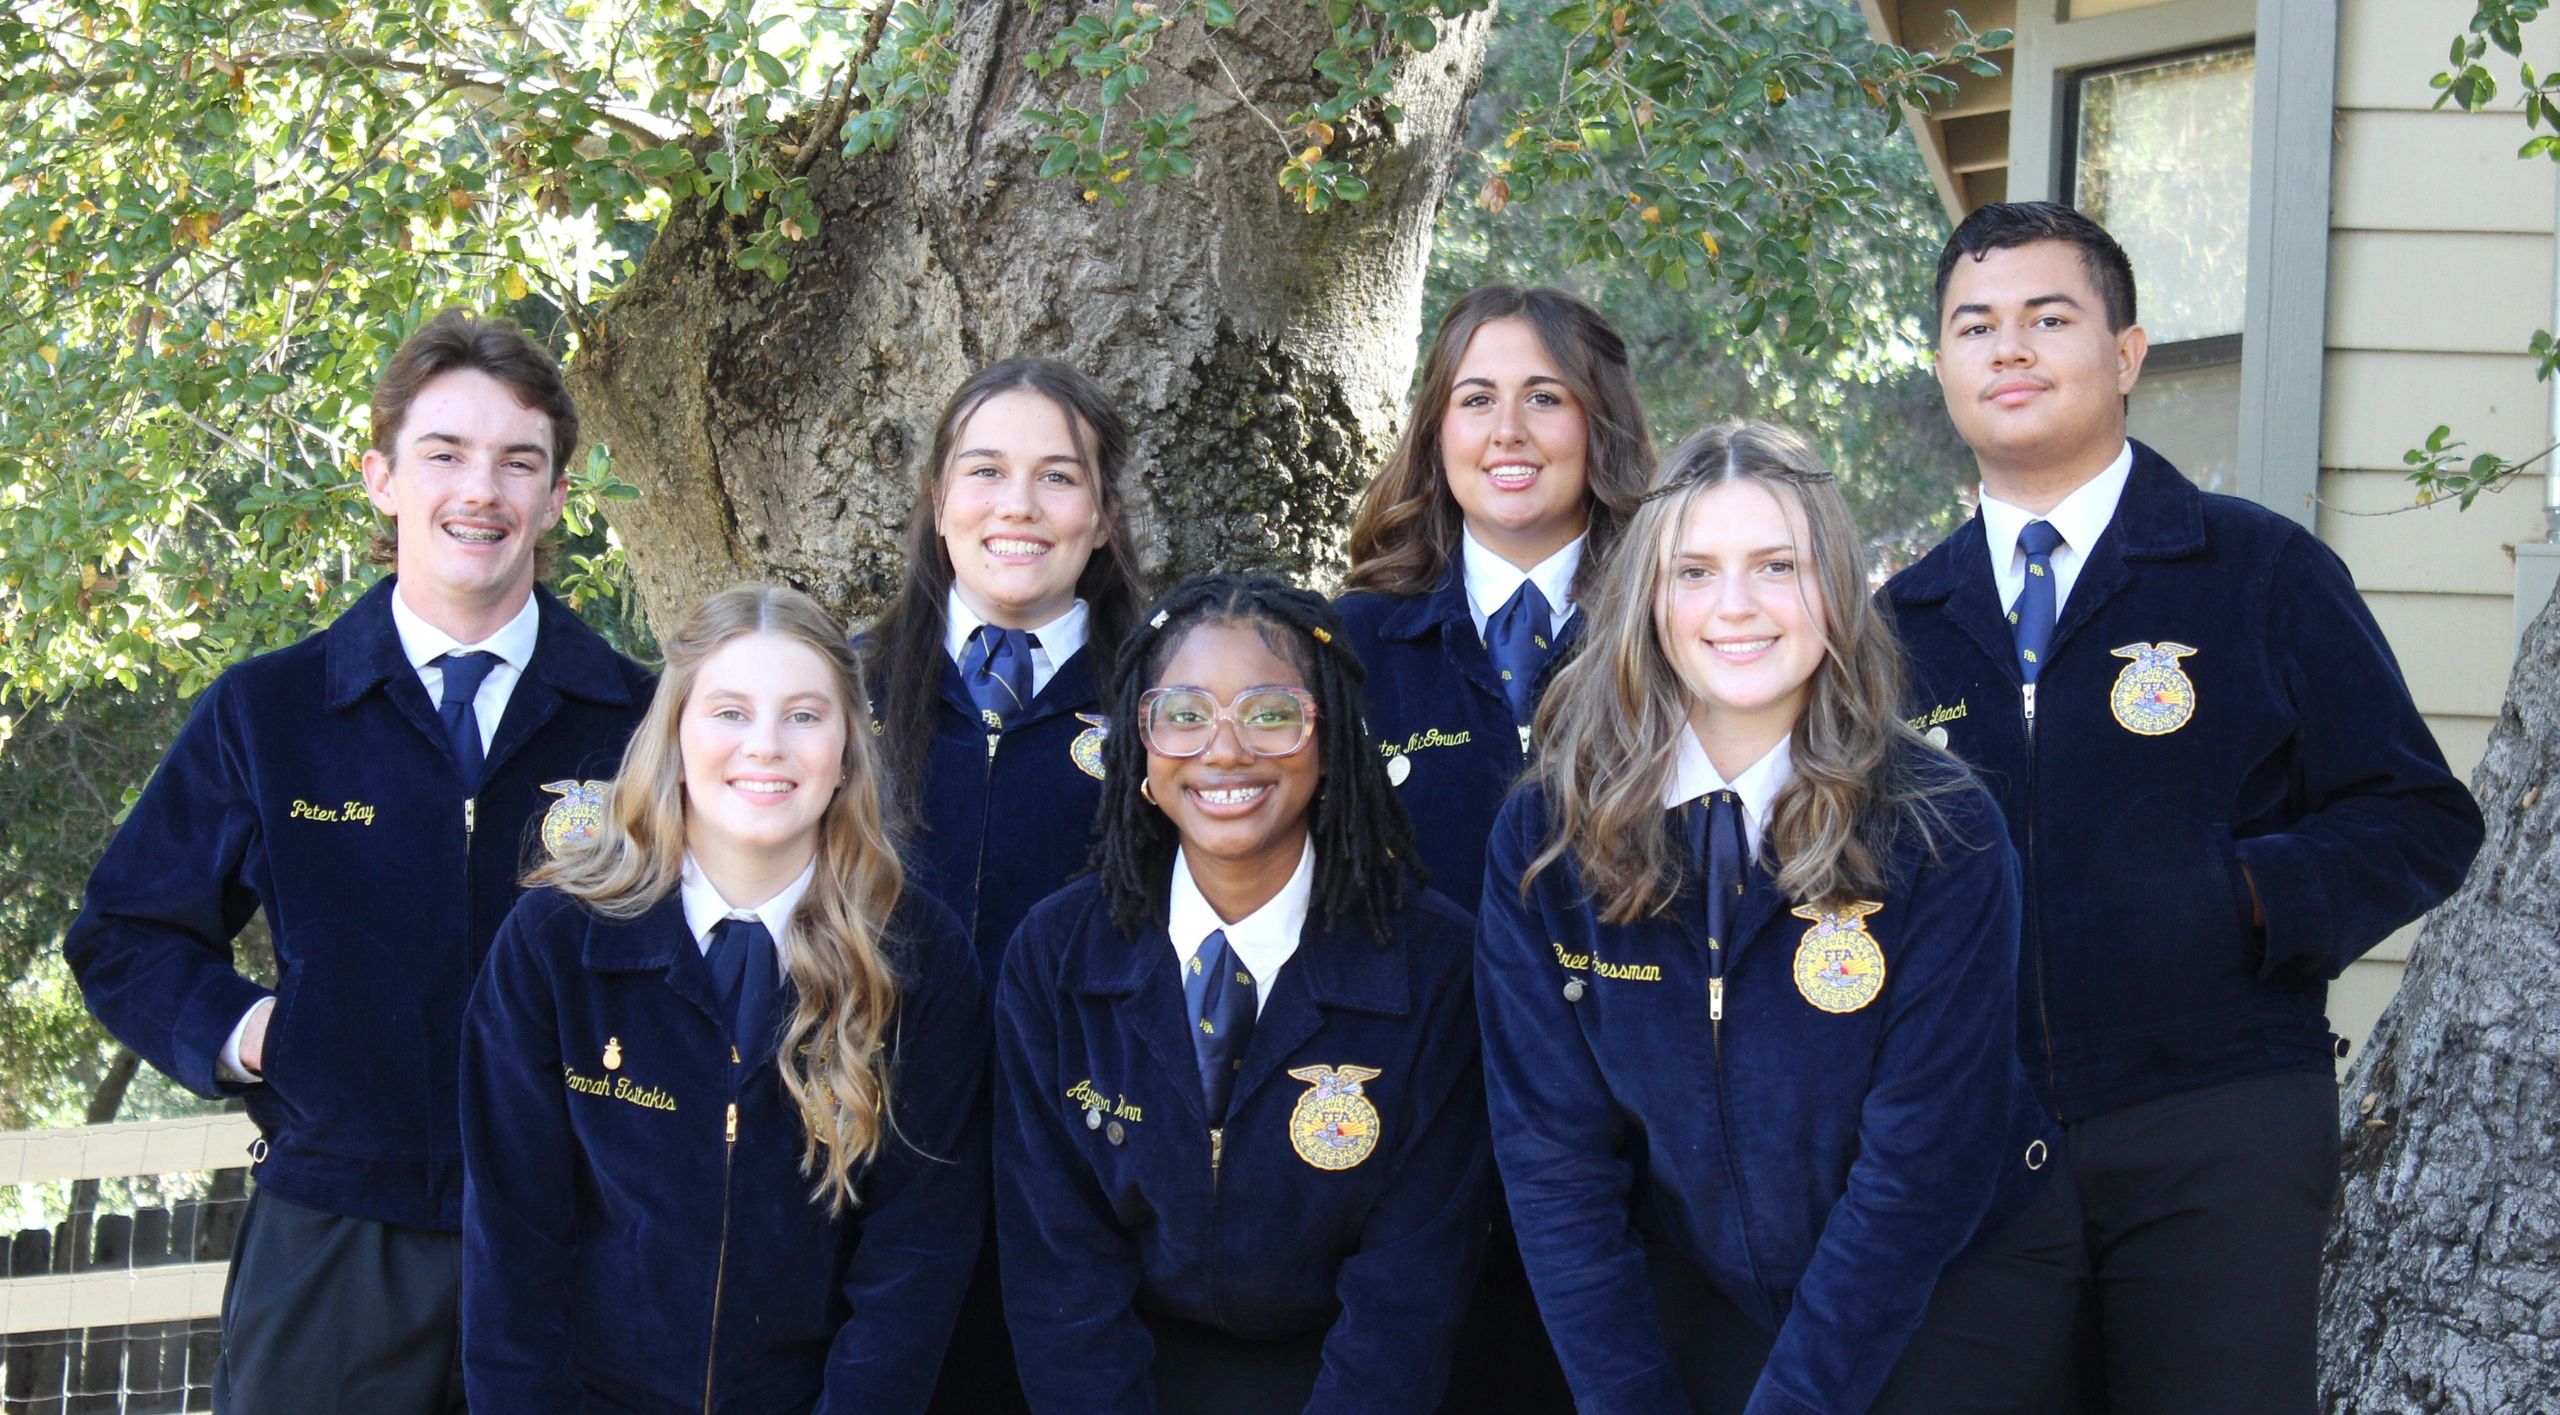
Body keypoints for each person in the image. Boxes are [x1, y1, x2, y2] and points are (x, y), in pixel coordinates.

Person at [1886, 202, 2486, 1413]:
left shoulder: (2257, 569)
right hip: (1975, 1146)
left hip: (2217, 1127)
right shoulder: (1891, 628)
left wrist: (2243, 898)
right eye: (1974, 326)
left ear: (2125, 352)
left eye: (2048, 318)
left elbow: (2420, 813)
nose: (2009, 349)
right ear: (1942, 366)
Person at [61, 309, 653, 1412]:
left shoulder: (644, 722)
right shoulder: (270, 711)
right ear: (380, 477)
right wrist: (259, 1032)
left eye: (518, 461)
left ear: (557, 497)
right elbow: (123, 934)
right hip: (337, 1230)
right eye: (445, 453)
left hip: (584, 1231)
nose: (481, 489)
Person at [1479, 422, 2073, 1415]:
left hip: (1949, 1272)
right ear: (1648, 599)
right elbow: (1554, 1163)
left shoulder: (1938, 826)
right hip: (1708, 1279)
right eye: (1697, 570)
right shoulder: (1548, 835)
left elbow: (1919, 1166)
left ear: (1833, 588)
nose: (1737, 607)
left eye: (1776, 565)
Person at [459, 585, 985, 1412]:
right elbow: (511, 1249)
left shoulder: (918, 957)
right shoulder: (555, 944)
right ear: (674, 732)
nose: (766, 747)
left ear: (848, 746)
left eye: (805, 715)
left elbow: (914, 1259)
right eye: (730, 711)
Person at [995, 576, 1489, 1414]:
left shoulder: (1436, 964)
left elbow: (1411, 1288)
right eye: (1184, 714)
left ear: (1329, 740)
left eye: (1270, 713)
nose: (1224, 750)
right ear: (1142, 744)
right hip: (1136, 1378)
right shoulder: (1054, 955)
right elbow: (1060, 1268)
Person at [1336, 284, 1652, 1409]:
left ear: (1598, 423)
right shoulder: (1346, 646)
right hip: (1404, 1159)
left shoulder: (1674, 633)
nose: (1507, 432)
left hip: (1633, 1158)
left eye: (1543, 398)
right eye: (1476, 399)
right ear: (1435, 430)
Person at [859, 357, 1148, 1413]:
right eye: (983, 471)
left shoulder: (1169, 712)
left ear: (1105, 514)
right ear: (939, 501)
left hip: (1088, 1206)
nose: (1016, 506)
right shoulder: (835, 699)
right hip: (859, 1195)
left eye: (1057, 477)